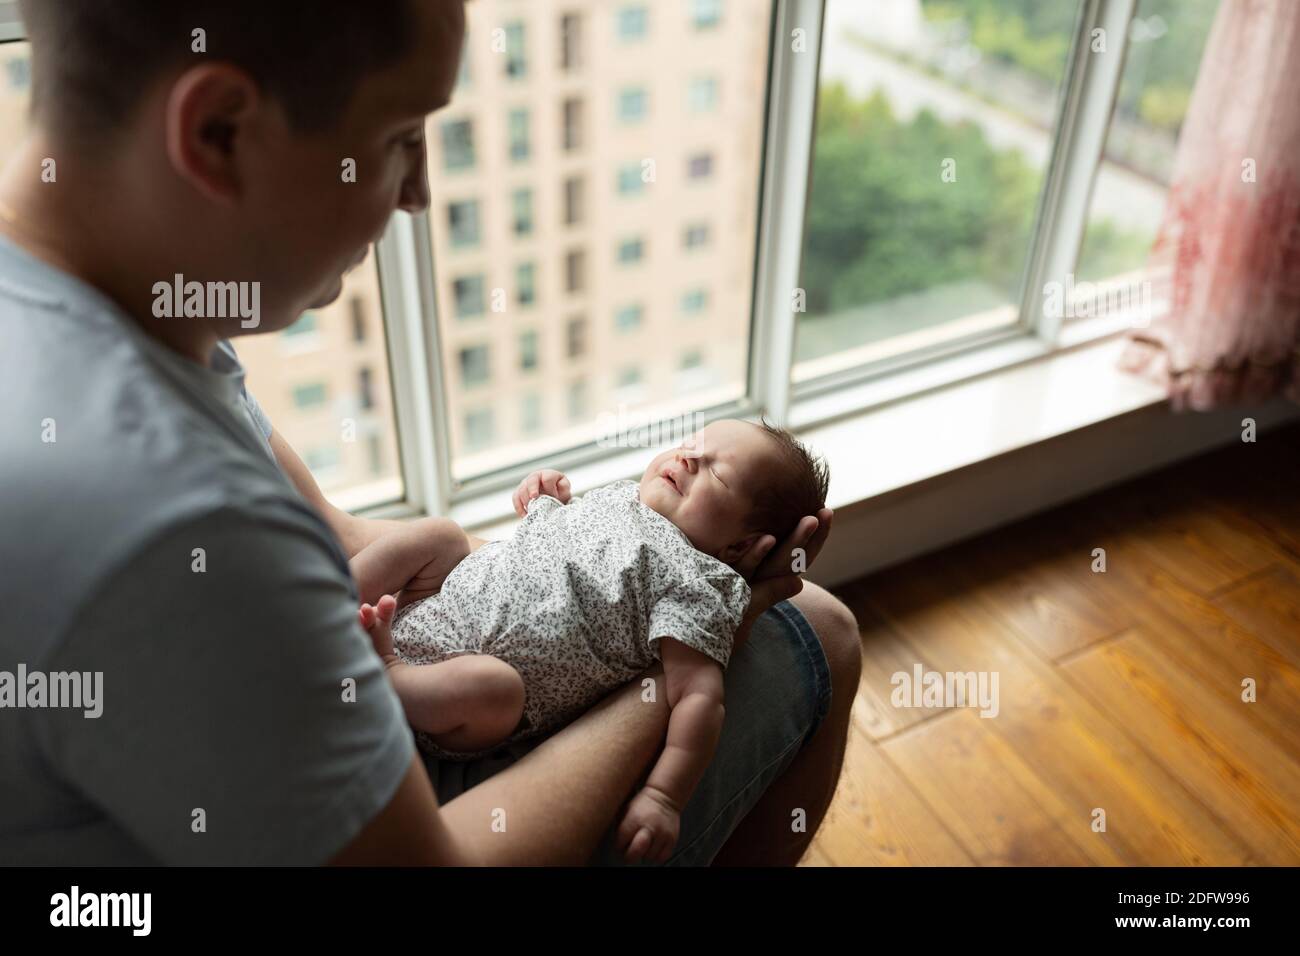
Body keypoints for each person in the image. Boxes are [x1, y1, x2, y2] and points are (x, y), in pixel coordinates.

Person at [0, 0, 861, 866]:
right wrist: (689, 653)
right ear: (219, 131)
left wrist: (578, 585)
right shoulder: (175, 522)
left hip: (342, 724)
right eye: (399, 139)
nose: (418, 196)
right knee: (818, 633)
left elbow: (336, 540)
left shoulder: (128, 305)